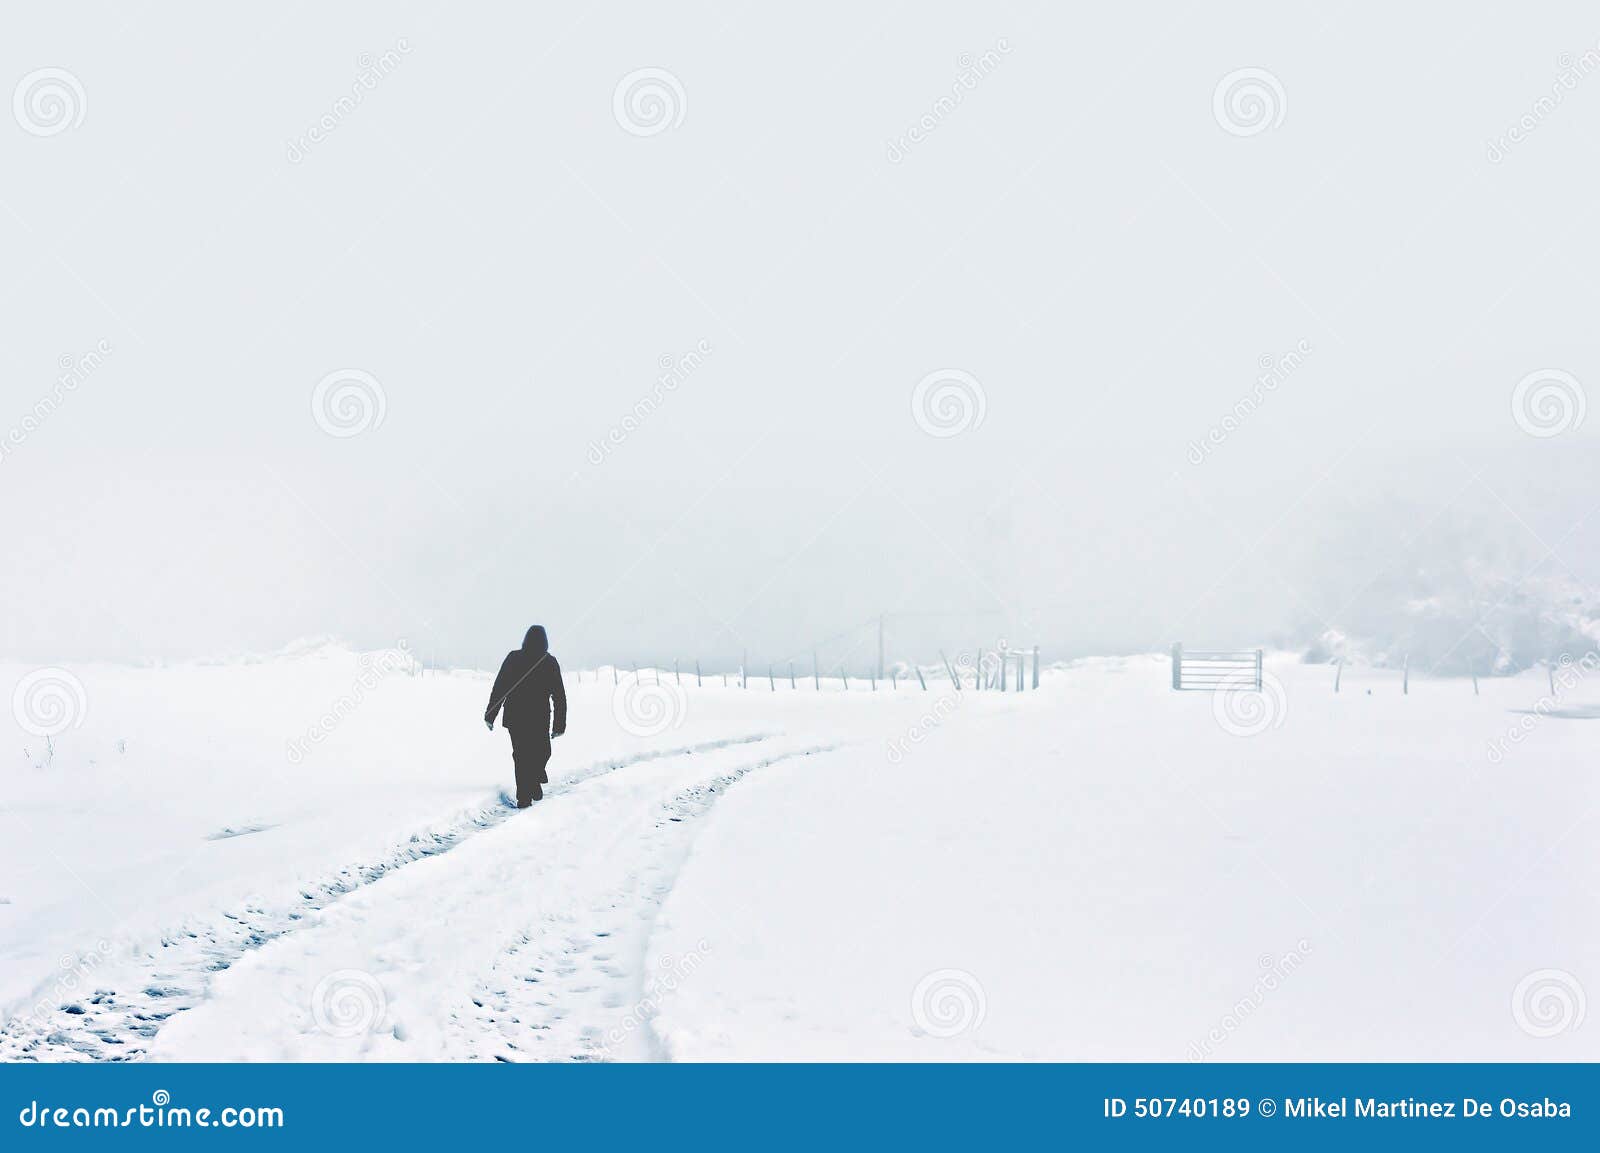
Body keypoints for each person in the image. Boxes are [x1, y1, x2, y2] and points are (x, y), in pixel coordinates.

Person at [485, 625, 567, 807]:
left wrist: (559, 725)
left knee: (534, 754)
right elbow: (501, 686)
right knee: (528, 754)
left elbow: (559, 695)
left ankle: (533, 782)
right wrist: (490, 714)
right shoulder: (521, 658)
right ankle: (524, 796)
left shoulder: (547, 661)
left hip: (530, 718)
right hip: (524, 717)